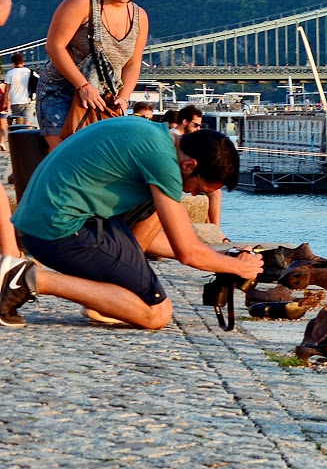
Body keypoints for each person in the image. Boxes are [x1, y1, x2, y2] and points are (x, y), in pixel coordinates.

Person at [0, 119, 261, 329]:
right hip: (59, 232)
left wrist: (218, 256)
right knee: (156, 313)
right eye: (200, 189)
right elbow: (187, 252)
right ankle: (30, 279)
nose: (194, 195)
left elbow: (160, 237)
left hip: (48, 222)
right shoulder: (162, 162)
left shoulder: (154, 136)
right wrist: (238, 267)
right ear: (190, 164)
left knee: (159, 208)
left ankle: (108, 296)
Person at [37, 0, 149, 147]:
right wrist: (83, 86)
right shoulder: (82, 2)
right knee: (69, 157)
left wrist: (123, 99)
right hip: (61, 93)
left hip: (102, 99)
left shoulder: (140, 17)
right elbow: (55, 46)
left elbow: (133, 63)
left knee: (99, 164)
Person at [164, 105, 222, 227]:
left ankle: (211, 226)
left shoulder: (182, 137)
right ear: (185, 122)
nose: (198, 129)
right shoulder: (176, 137)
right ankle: (216, 228)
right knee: (215, 192)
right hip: (176, 176)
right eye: (195, 125)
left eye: (200, 126)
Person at [5, 54, 36, 128]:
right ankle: (28, 137)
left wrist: (6, 103)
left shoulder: (10, 73)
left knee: (18, 125)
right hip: (30, 101)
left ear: (13, 63)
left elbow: (7, 90)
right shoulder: (31, 72)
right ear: (23, 62)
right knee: (28, 124)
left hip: (16, 102)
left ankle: (20, 138)